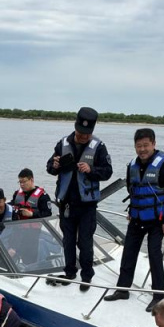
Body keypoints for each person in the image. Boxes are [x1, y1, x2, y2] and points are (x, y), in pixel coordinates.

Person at [105, 128, 164, 312]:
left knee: (154, 255)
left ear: (153, 144)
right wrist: (132, 209)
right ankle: (122, 290)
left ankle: (159, 296)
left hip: (156, 220)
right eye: (139, 146)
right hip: (137, 218)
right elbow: (132, 189)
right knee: (128, 252)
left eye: (146, 145)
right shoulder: (132, 165)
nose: (142, 149)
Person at [46, 106, 113, 291]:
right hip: (66, 203)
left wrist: (91, 170)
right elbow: (50, 168)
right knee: (68, 240)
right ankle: (69, 272)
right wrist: (55, 164)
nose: (84, 137)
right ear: (75, 127)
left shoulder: (99, 146)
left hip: (87, 205)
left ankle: (86, 276)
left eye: (87, 134)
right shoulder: (62, 143)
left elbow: (107, 172)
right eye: (81, 133)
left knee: (85, 241)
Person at [10, 169, 53, 265]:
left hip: (32, 233)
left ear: (31, 180)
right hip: (17, 230)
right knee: (12, 254)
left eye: (24, 181)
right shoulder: (17, 194)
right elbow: (11, 206)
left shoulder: (43, 196)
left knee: (29, 258)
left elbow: (47, 213)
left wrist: (32, 214)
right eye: (20, 182)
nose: (22, 184)